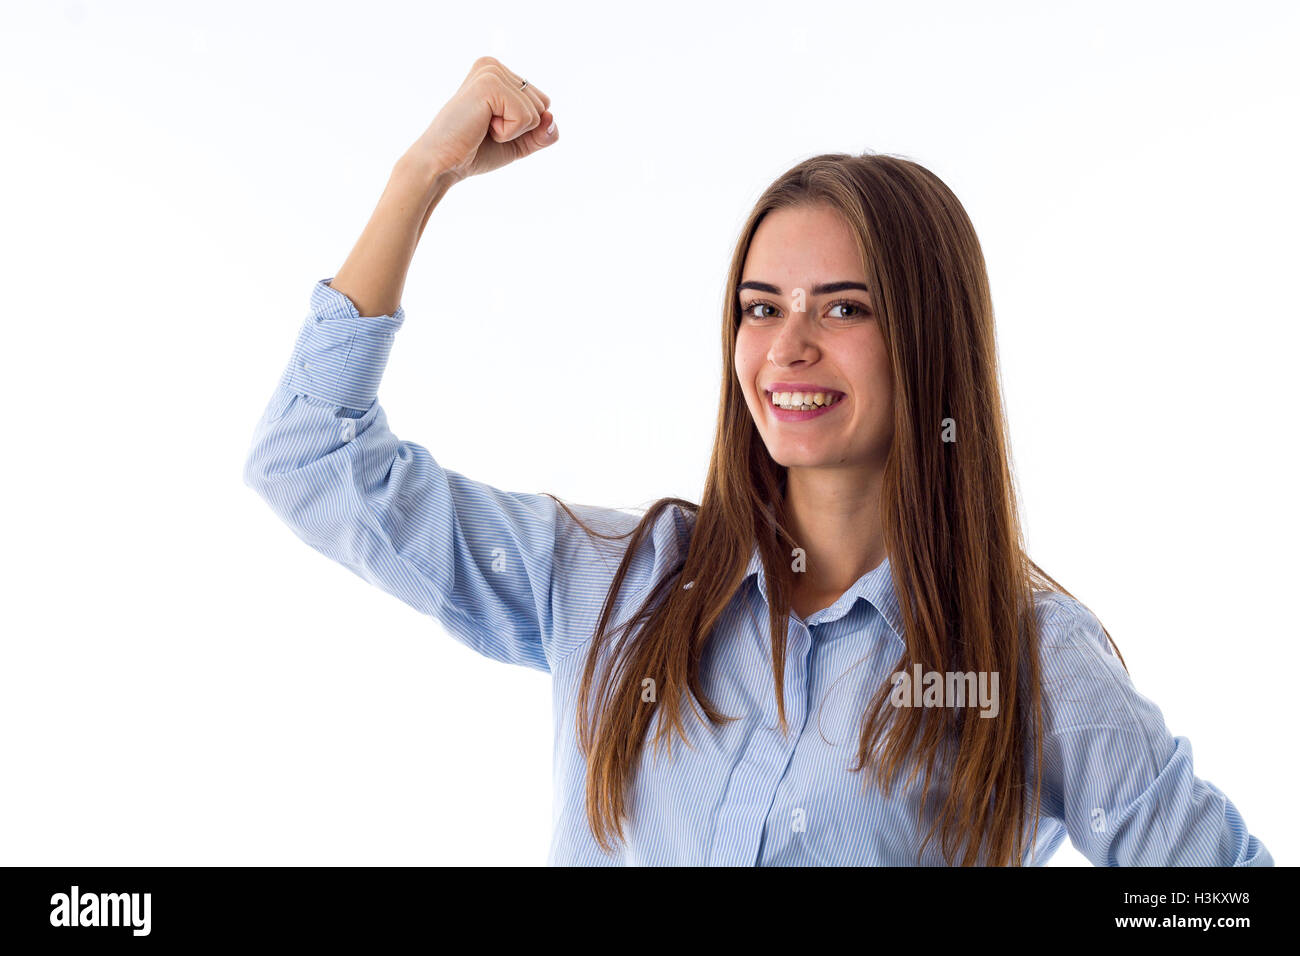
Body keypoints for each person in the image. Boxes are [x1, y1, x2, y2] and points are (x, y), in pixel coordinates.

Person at [243, 56, 1273, 867]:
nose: (787, 346)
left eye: (843, 307)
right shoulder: (607, 577)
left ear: (928, 336)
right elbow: (310, 457)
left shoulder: (1027, 663)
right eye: (760, 307)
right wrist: (421, 175)